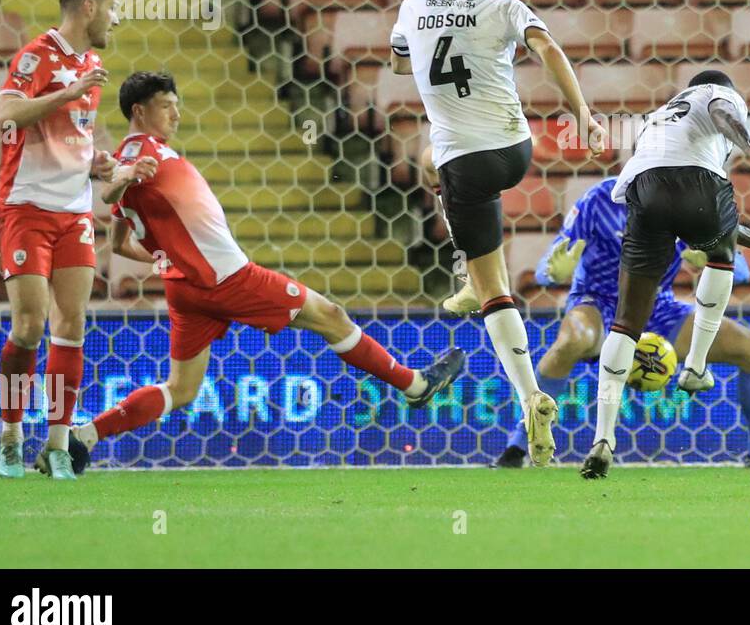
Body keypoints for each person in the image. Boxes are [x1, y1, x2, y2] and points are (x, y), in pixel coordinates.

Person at [64, 72, 464, 471]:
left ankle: (86, 435)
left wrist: (167, 256)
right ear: (139, 110)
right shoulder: (138, 151)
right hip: (227, 279)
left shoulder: (146, 154)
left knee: (181, 389)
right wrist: (124, 177)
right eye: (166, 105)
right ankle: (415, 385)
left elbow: (118, 242)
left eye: (177, 105)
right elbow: (111, 188)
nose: (177, 113)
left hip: (187, 288)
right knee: (331, 316)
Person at [389, 0, 607, 467]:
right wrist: (583, 116)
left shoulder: (414, 4)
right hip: (513, 149)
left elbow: (397, 65)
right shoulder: (505, 5)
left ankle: (529, 392)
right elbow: (549, 48)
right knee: (430, 161)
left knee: (492, 289)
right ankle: (470, 281)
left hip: (462, 161)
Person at [454, 176, 750, 468]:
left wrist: (707, 259)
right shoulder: (598, 199)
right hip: (597, 303)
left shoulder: (685, 203)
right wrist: (551, 272)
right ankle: (518, 448)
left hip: (658, 307)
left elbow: (737, 268)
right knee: (571, 342)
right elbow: (552, 260)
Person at [580, 70, 750, 479]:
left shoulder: (660, 117)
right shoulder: (717, 93)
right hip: (699, 185)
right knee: (721, 255)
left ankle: (603, 439)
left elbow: (681, 202)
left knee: (624, 324)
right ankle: (695, 365)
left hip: (644, 192)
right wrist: (747, 142)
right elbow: (723, 112)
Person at [0, 0, 120, 481]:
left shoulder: (92, 63)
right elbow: (6, 115)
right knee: (28, 328)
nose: (116, 18)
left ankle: (58, 445)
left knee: (71, 327)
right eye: (112, 7)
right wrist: (66, 95)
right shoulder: (36, 55)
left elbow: (71, 136)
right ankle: (9, 434)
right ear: (88, 7)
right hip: (26, 208)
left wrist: (95, 162)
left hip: (75, 211)